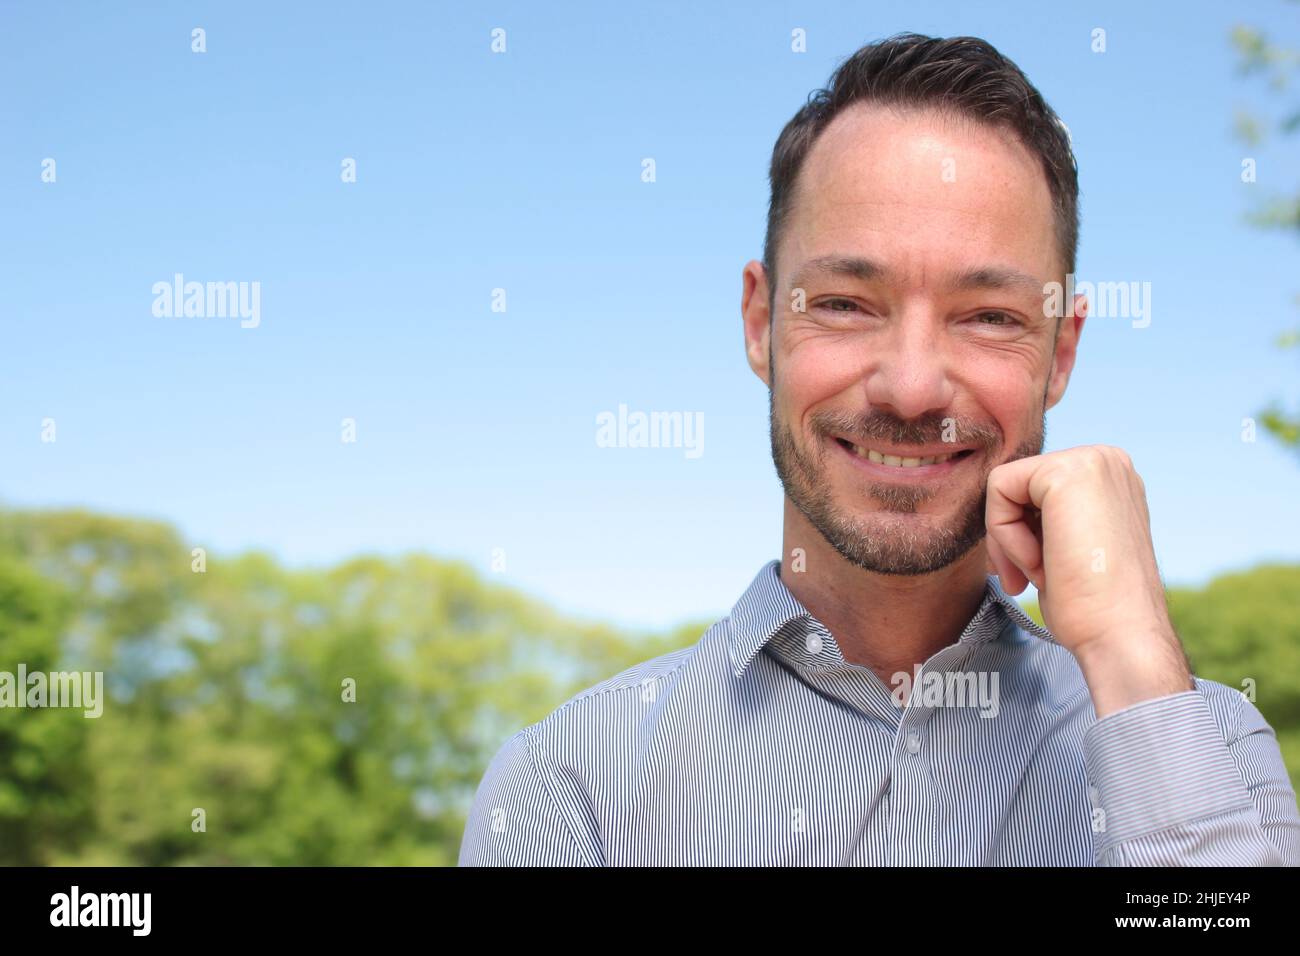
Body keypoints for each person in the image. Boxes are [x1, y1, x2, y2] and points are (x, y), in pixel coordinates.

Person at [458, 32, 1300, 866]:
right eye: (846, 303)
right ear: (760, 323)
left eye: (989, 316)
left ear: (1062, 353)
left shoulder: (1214, 758)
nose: (909, 388)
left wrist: (1130, 654)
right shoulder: (571, 788)